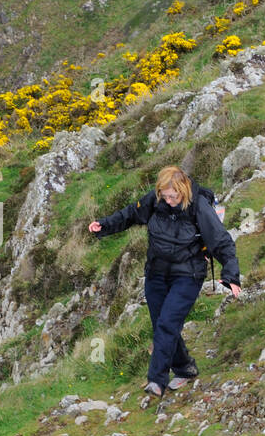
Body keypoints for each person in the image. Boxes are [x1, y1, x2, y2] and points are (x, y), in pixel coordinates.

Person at [88, 165, 241, 397]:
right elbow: (130, 214)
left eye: (173, 196)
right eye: (165, 196)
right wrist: (105, 225)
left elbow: (221, 241)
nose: (169, 200)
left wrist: (231, 276)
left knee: (167, 324)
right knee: (162, 323)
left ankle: (156, 380)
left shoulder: (198, 207)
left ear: (183, 191)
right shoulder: (154, 201)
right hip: (156, 273)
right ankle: (185, 368)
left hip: (188, 275)